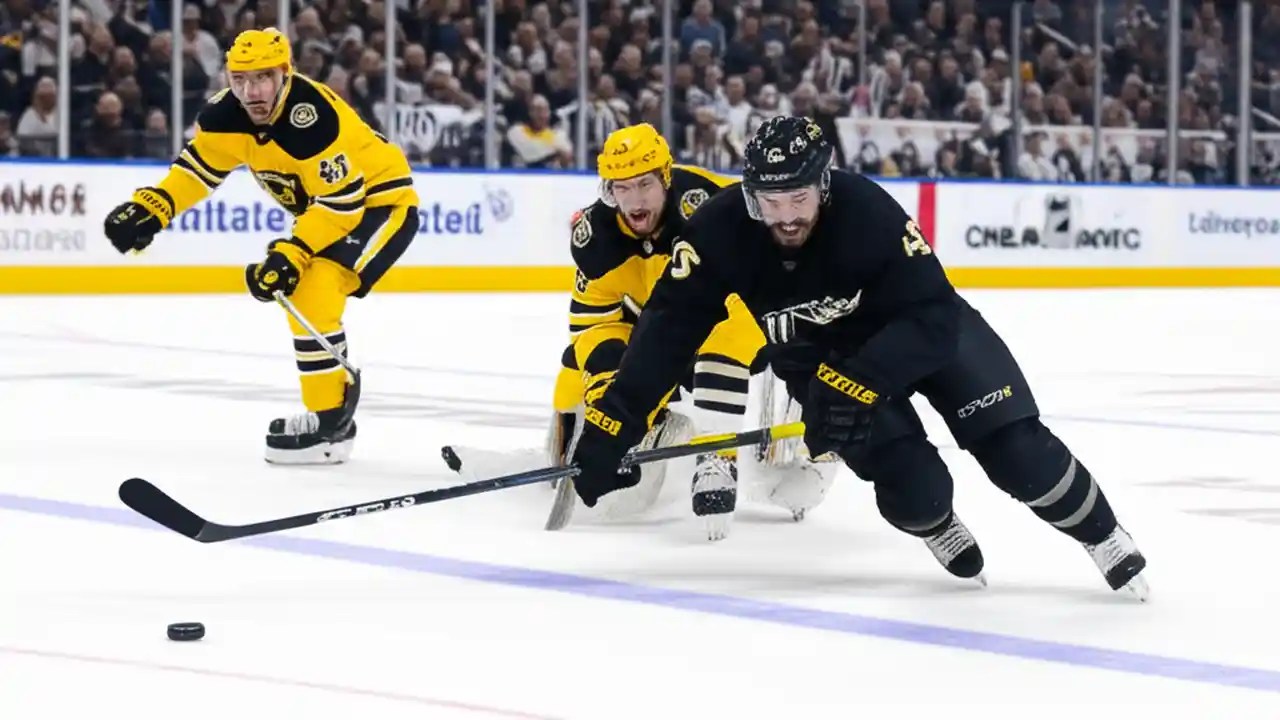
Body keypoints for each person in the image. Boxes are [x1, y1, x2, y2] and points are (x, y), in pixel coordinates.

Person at [565, 116, 1150, 599]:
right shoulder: (718, 230)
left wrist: (864, 379)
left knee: (1019, 453)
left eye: (798, 198)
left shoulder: (868, 210)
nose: (786, 216)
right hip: (820, 357)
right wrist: (613, 424)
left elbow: (935, 316)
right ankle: (937, 524)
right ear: (749, 197)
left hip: (918, 336)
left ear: (822, 186)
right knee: (913, 489)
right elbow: (668, 328)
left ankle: (1101, 533)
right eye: (770, 203)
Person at [102, 27, 420, 465]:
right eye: (240, 79)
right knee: (305, 293)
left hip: (380, 203)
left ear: (286, 74)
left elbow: (342, 205)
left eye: (264, 78)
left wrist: (292, 252)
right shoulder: (223, 116)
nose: (252, 92)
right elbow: (199, 168)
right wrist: (154, 206)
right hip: (331, 208)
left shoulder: (314, 120)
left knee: (313, 290)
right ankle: (331, 416)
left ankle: (330, 422)